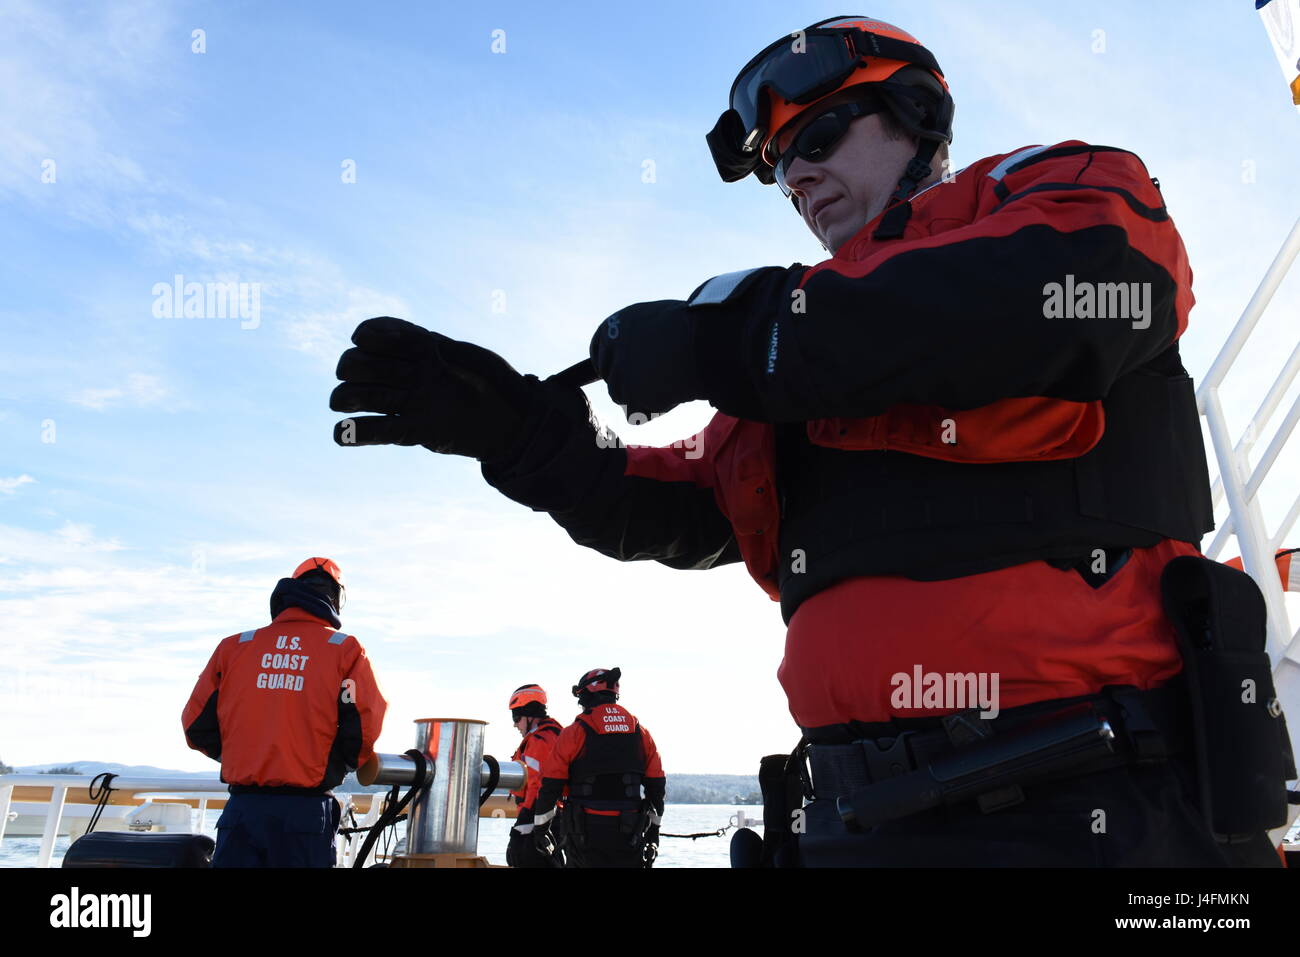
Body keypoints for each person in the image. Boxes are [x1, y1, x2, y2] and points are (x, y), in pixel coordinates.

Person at [328, 16, 1289, 866]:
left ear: (917, 118)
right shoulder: (783, 368)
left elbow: (1065, 295)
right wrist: (517, 432)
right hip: (855, 820)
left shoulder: (1054, 190)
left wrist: (728, 336)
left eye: (820, 136)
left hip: (1099, 811)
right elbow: (664, 501)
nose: (795, 173)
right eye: (781, 161)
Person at [182, 557, 387, 867]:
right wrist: (334, 766)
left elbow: (196, 724)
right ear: (335, 598)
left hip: (242, 812)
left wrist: (241, 756)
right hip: (306, 816)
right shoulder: (345, 650)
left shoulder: (234, 647)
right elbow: (364, 723)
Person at [528, 669, 665, 868]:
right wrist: (653, 833)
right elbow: (657, 788)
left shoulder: (574, 733)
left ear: (585, 697)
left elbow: (551, 785)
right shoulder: (641, 733)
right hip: (630, 835)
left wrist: (541, 830)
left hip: (584, 836)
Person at [504, 683, 564, 868]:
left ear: (530, 715)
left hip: (538, 819)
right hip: (550, 819)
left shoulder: (541, 741)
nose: (514, 723)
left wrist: (523, 826)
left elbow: (538, 785)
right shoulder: (552, 735)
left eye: (517, 716)